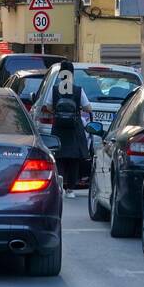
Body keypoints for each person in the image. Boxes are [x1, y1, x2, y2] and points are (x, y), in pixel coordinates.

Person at [49, 61, 92, 197]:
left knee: (60, 157)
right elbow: (88, 107)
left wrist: (58, 112)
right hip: (74, 127)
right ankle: (70, 190)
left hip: (59, 127)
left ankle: (60, 187)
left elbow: (48, 106)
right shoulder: (78, 89)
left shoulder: (55, 89)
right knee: (74, 159)